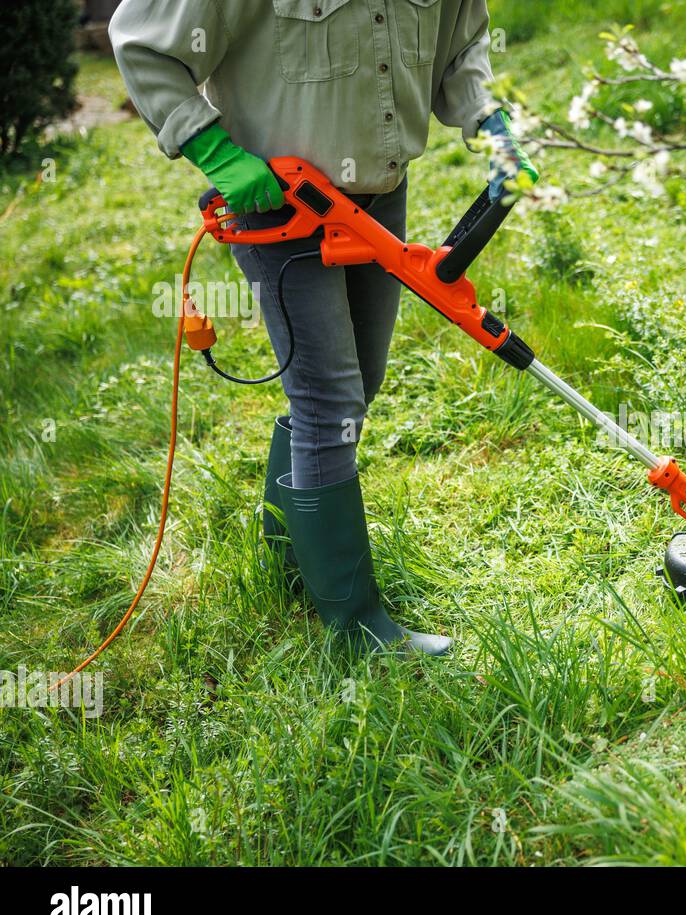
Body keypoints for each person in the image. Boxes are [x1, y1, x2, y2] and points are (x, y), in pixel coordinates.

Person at [109, 0, 536, 657]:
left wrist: (493, 124)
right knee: (327, 400)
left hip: (379, 193)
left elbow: (460, 44)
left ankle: (291, 557)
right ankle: (356, 627)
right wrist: (215, 149)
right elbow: (140, 43)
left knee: (355, 385)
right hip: (279, 200)